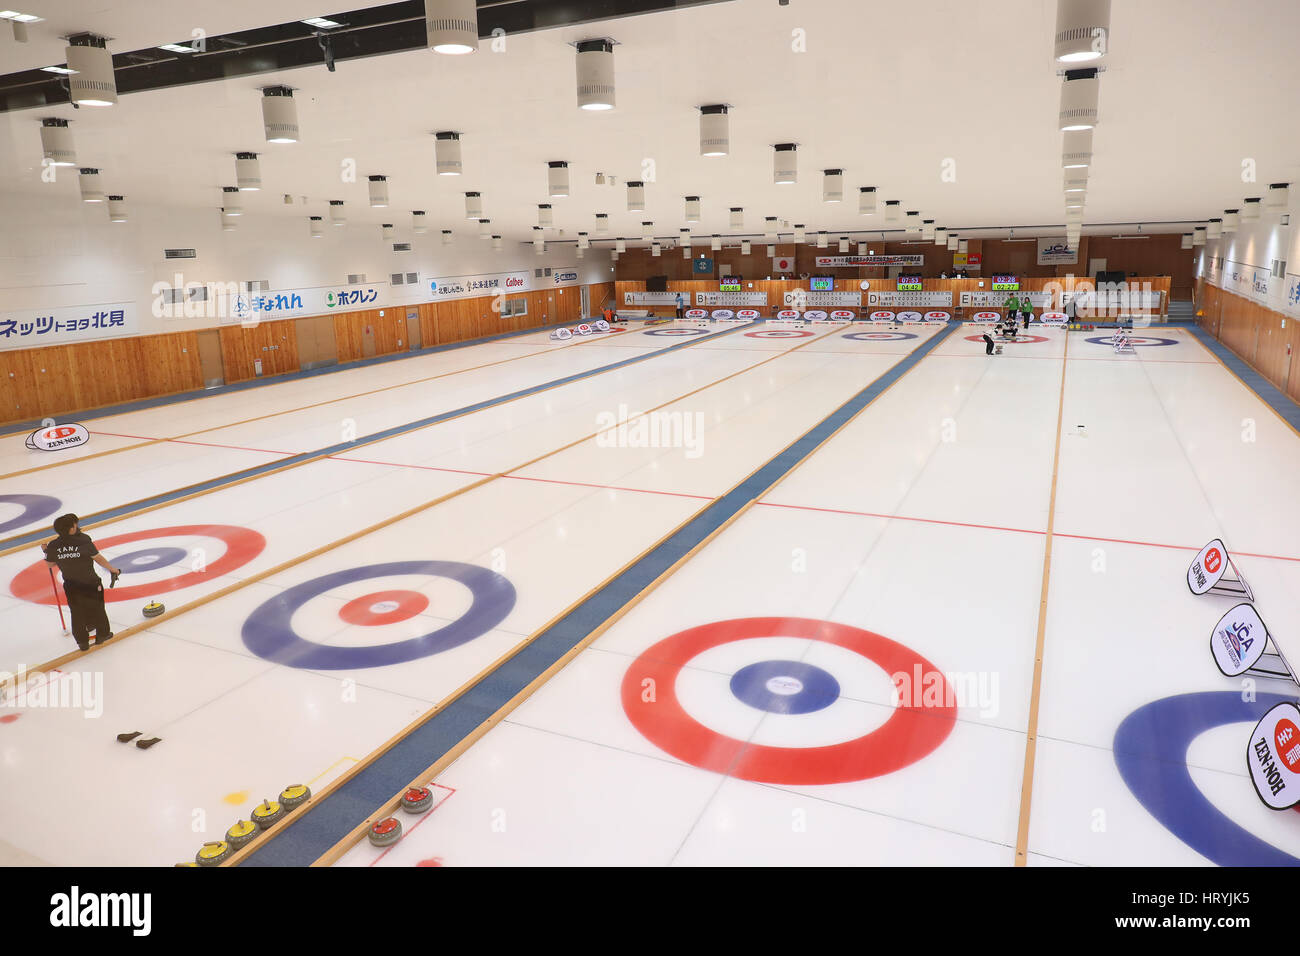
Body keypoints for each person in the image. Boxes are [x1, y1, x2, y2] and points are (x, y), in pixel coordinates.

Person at [43, 514, 120, 652]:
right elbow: (97, 558)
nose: (77, 526)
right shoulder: (83, 540)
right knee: (97, 608)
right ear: (71, 529)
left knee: (76, 612)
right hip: (90, 582)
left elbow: (50, 564)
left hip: (71, 585)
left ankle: (82, 642)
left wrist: (46, 551)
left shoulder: (54, 545)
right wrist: (112, 569)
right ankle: (102, 635)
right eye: (75, 524)